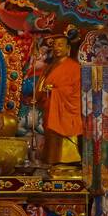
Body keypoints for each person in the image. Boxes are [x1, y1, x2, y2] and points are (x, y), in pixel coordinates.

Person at [36, 36, 82, 165]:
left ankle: (69, 160)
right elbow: (41, 85)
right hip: (51, 107)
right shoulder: (50, 67)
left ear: (68, 48)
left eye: (60, 45)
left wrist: (55, 91)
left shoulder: (74, 67)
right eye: (55, 45)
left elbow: (76, 91)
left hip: (67, 109)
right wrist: (44, 92)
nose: (57, 48)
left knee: (64, 137)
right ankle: (52, 160)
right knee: (51, 137)